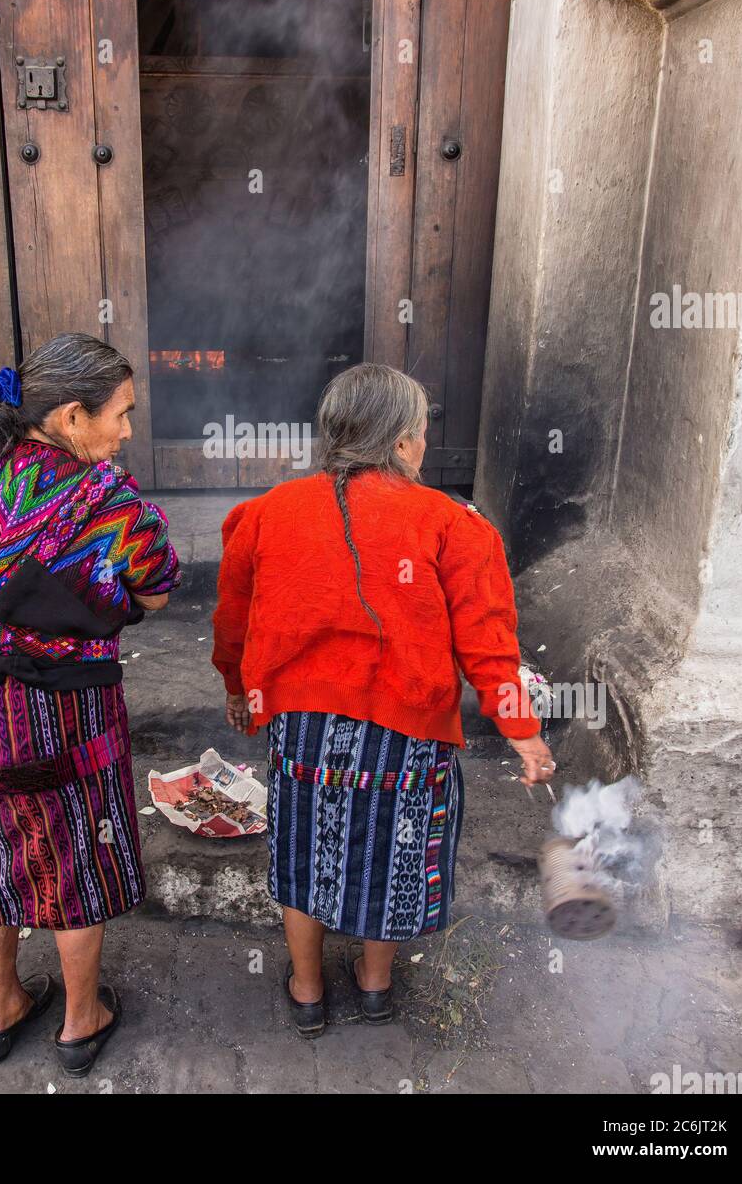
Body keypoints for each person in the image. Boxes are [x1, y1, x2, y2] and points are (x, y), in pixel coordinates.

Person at [212, 363, 554, 1036]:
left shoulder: (265, 515)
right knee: (397, 851)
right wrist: (521, 727)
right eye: (421, 433)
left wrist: (237, 688)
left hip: (303, 727)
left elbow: (235, 620)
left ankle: (307, 990)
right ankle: (375, 985)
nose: (423, 445)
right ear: (401, 443)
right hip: (407, 730)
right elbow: (487, 639)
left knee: (301, 849)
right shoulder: (453, 524)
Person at [0, 333, 180, 1074]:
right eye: (119, 415)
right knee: (73, 857)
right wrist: (87, 596)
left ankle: (1, 1010)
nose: (126, 431)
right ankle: (81, 1022)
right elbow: (154, 585)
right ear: (67, 417)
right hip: (57, 720)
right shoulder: (104, 500)